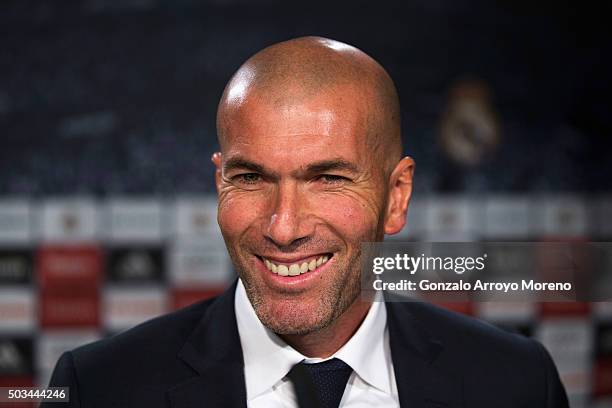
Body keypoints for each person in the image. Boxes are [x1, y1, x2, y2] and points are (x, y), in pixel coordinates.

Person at [43, 36, 568, 408]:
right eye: (250, 179)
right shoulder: (96, 389)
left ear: (396, 196)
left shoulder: (516, 382)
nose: (284, 226)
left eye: (329, 179)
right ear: (218, 183)